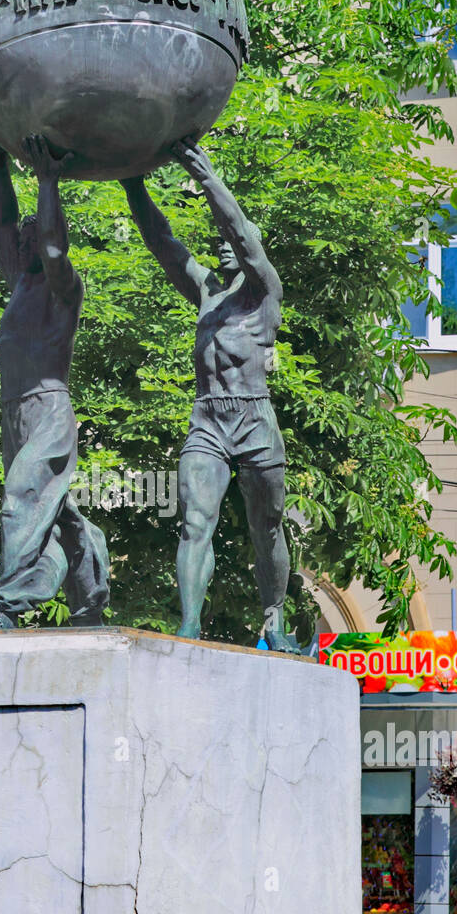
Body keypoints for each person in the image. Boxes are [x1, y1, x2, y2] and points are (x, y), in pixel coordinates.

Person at [123, 136, 293, 647]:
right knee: (195, 520)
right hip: (208, 420)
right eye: (215, 239)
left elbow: (240, 231)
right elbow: (161, 240)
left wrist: (204, 174)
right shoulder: (205, 294)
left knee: (266, 528)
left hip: (256, 420)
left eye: (229, 240)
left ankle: (275, 620)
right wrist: (129, 175)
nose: (221, 244)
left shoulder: (263, 294)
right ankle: (191, 622)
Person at [0, 135, 109, 630]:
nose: (18, 241)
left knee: (21, 501)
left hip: (49, 410)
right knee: (54, 514)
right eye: (20, 239)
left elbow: (55, 246)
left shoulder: (64, 287)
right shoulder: (19, 280)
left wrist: (47, 180)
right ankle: (90, 594)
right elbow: (0, 217)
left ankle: (9, 609)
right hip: (14, 410)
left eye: (28, 236)